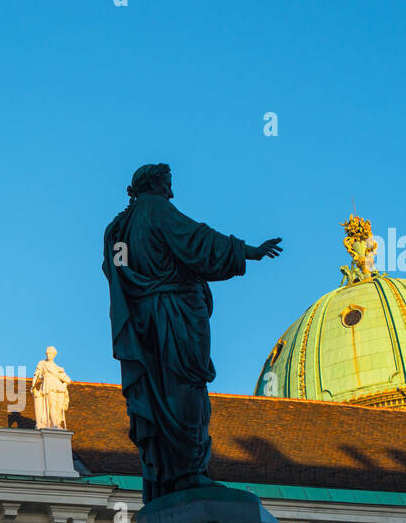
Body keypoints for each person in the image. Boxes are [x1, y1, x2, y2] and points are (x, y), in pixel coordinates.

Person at [102, 163, 281, 500]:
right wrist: (246, 251)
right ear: (155, 185)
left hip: (145, 324)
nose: (172, 190)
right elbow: (196, 241)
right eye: (168, 183)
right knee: (186, 389)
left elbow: (120, 270)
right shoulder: (157, 211)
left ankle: (164, 477)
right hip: (175, 315)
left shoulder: (118, 230)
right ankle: (188, 472)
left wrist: (144, 292)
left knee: (159, 395)